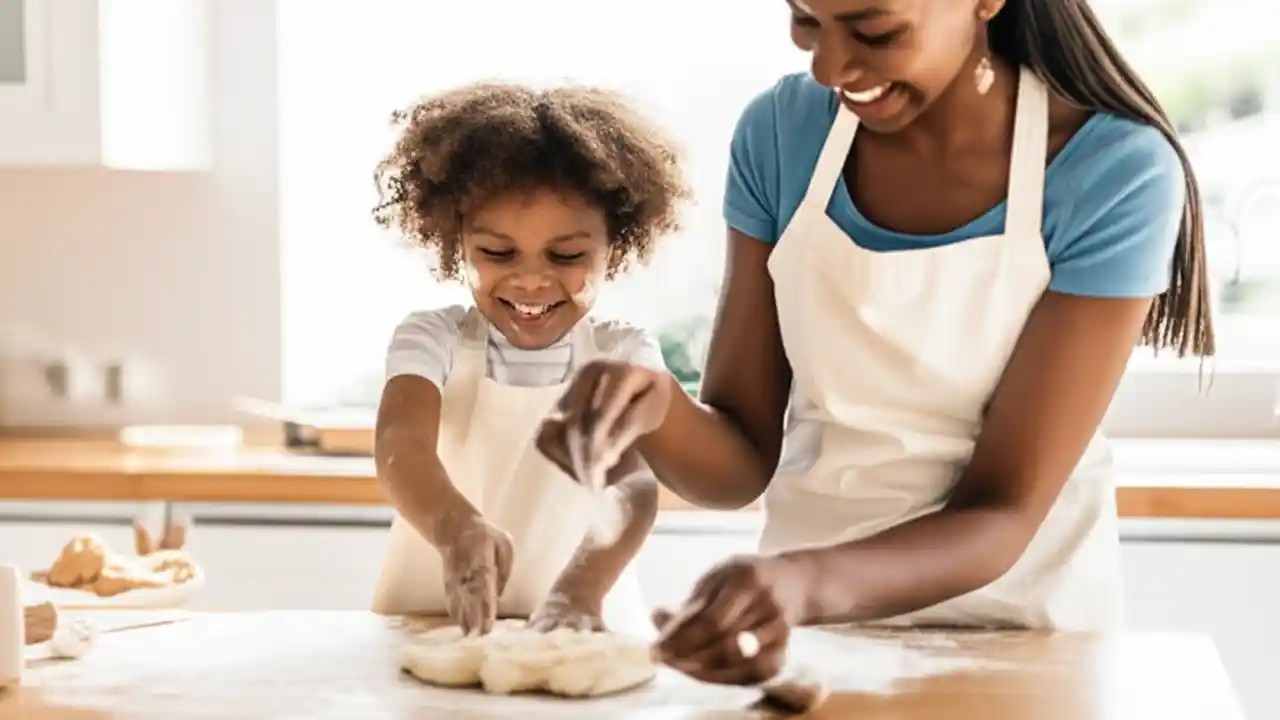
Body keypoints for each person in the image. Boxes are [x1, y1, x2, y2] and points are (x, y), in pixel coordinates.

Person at [538, 0, 1214, 685]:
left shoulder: (1111, 169)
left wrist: (800, 584)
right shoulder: (781, 135)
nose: (828, 67)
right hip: (807, 644)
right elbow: (740, 459)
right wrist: (655, 407)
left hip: (1025, 639)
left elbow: (1003, 510)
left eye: (874, 31)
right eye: (806, 20)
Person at [369, 82, 689, 637]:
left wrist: (581, 588)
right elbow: (401, 444)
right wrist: (456, 527)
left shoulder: (622, 352)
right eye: (496, 253)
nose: (532, 279)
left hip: (583, 623)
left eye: (566, 256)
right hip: (429, 622)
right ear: (457, 243)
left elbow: (631, 486)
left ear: (612, 248)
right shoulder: (431, 339)